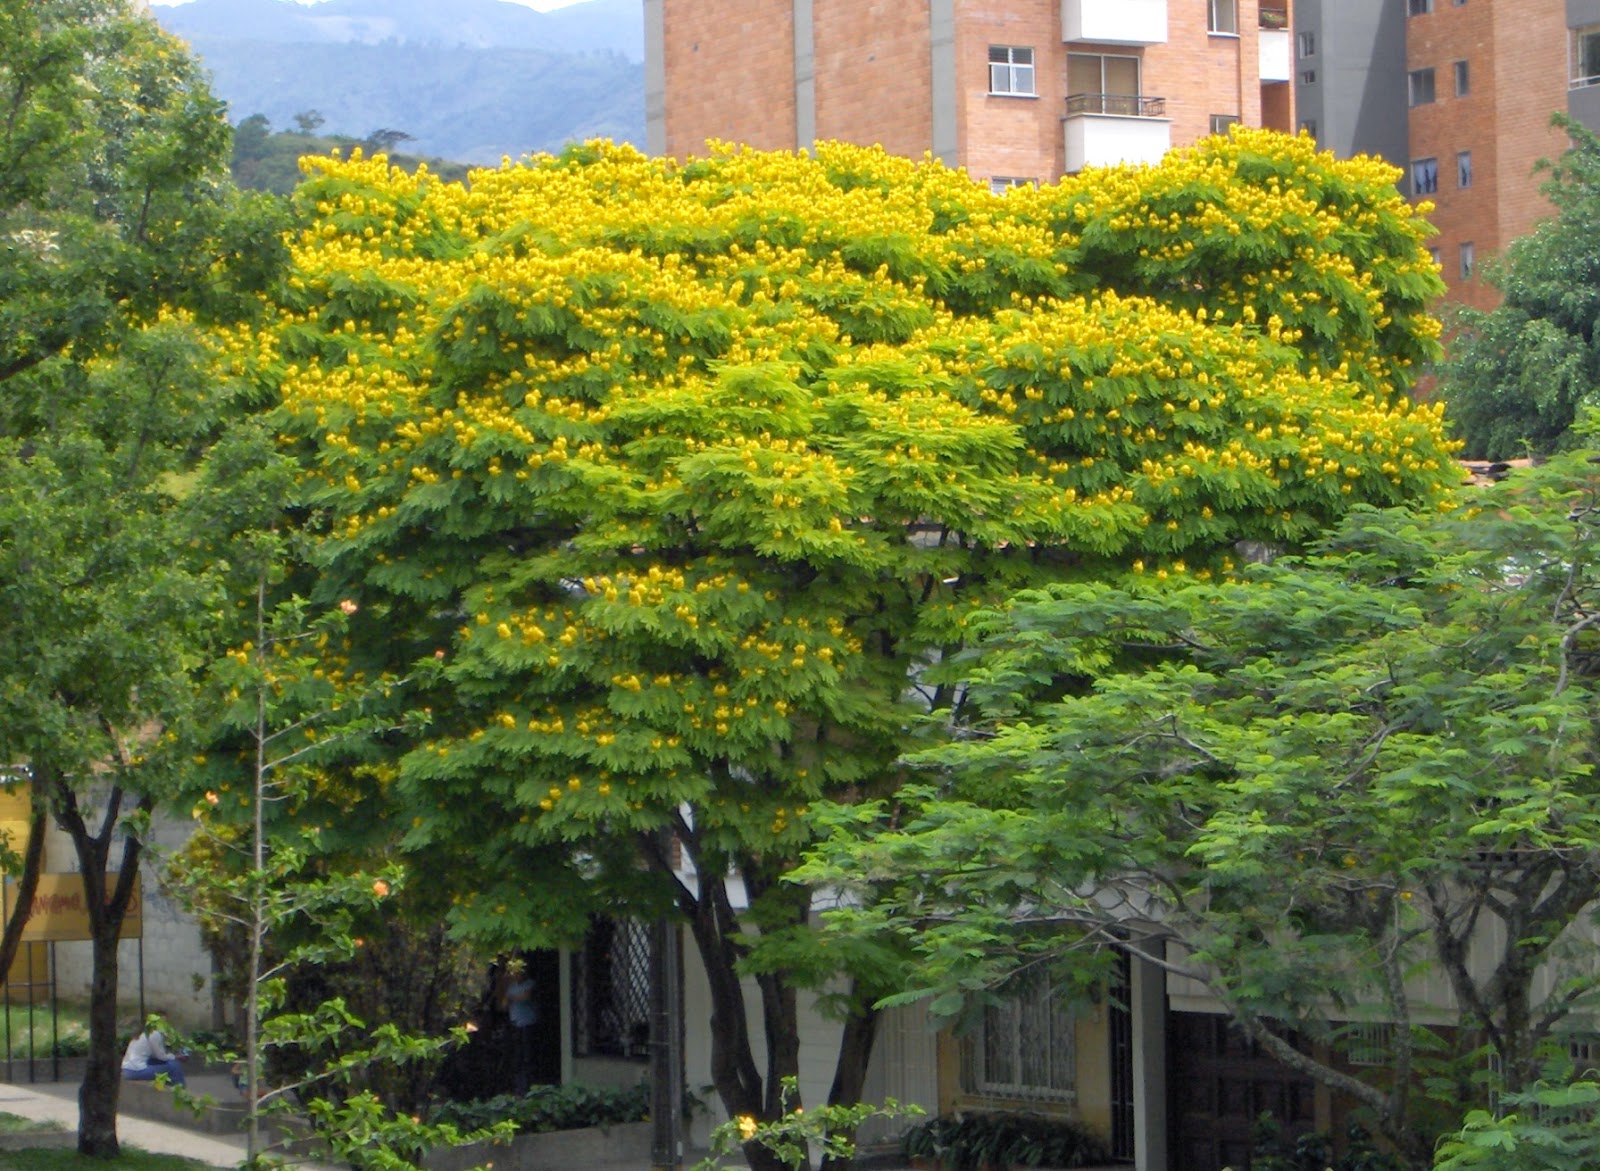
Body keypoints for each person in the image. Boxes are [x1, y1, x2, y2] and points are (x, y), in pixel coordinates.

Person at [121, 1013, 187, 1087]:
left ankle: (168, 1087)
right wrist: (177, 1057)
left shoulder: (141, 1034)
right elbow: (162, 1057)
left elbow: (153, 1055)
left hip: (126, 1070)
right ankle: (180, 1089)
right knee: (173, 1066)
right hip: (137, 1071)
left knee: (161, 1064)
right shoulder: (154, 1034)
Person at [502, 957, 537, 1095]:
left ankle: (529, 1083)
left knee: (528, 1055)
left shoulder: (530, 984)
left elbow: (526, 997)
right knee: (518, 1055)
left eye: (518, 973)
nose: (516, 975)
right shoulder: (512, 987)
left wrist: (512, 998)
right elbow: (504, 1004)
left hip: (528, 1023)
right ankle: (519, 1085)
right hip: (515, 1023)